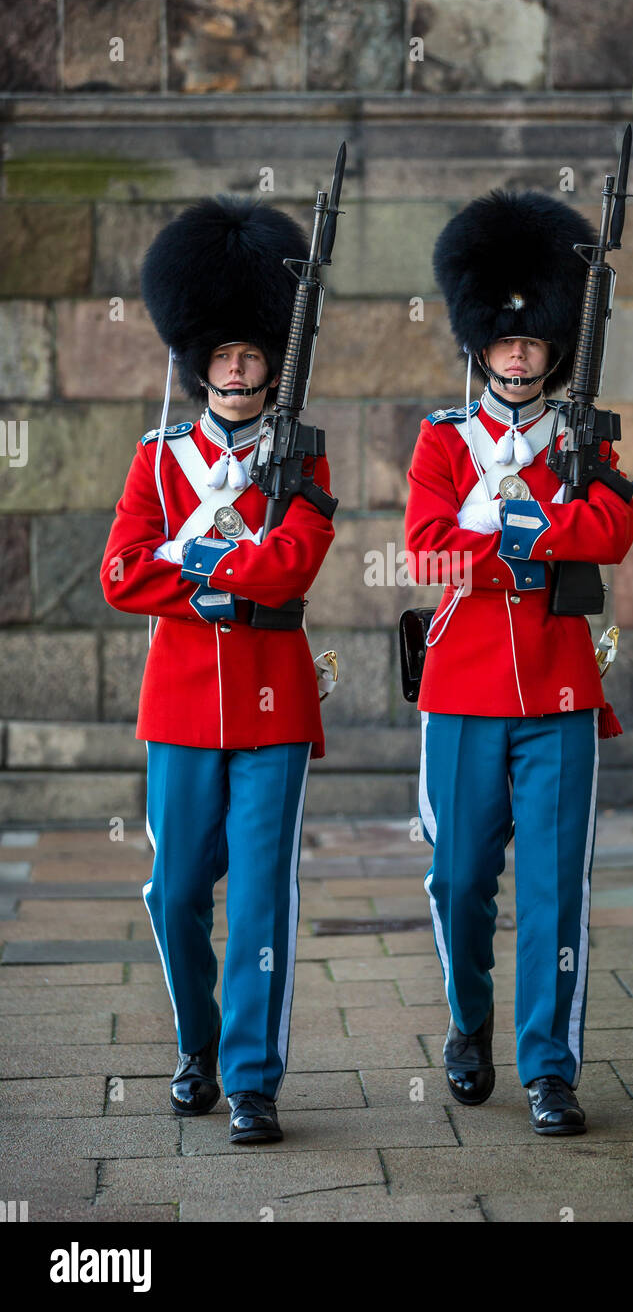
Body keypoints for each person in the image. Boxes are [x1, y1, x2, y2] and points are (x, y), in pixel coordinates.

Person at [100, 198, 336, 1145]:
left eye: (253, 356)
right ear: (200, 365)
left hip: (275, 709)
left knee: (264, 901)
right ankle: (196, 1045)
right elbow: (121, 573)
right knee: (176, 893)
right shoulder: (158, 464)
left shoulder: (301, 461)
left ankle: (251, 1079)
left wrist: (196, 570)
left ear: (273, 363)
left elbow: (296, 562)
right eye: (224, 358)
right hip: (183, 706)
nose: (238, 372)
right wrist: (215, 581)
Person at [404, 189, 633, 1135]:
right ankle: (469, 1020)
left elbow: (613, 529)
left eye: (531, 342)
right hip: (461, 690)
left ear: (551, 347)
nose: (515, 354)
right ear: (479, 346)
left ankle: (550, 1066)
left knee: (554, 886)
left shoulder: (587, 434)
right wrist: (530, 538)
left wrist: (526, 527)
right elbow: (426, 546)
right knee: (459, 880)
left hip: (559, 690)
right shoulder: (442, 438)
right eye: (501, 342)